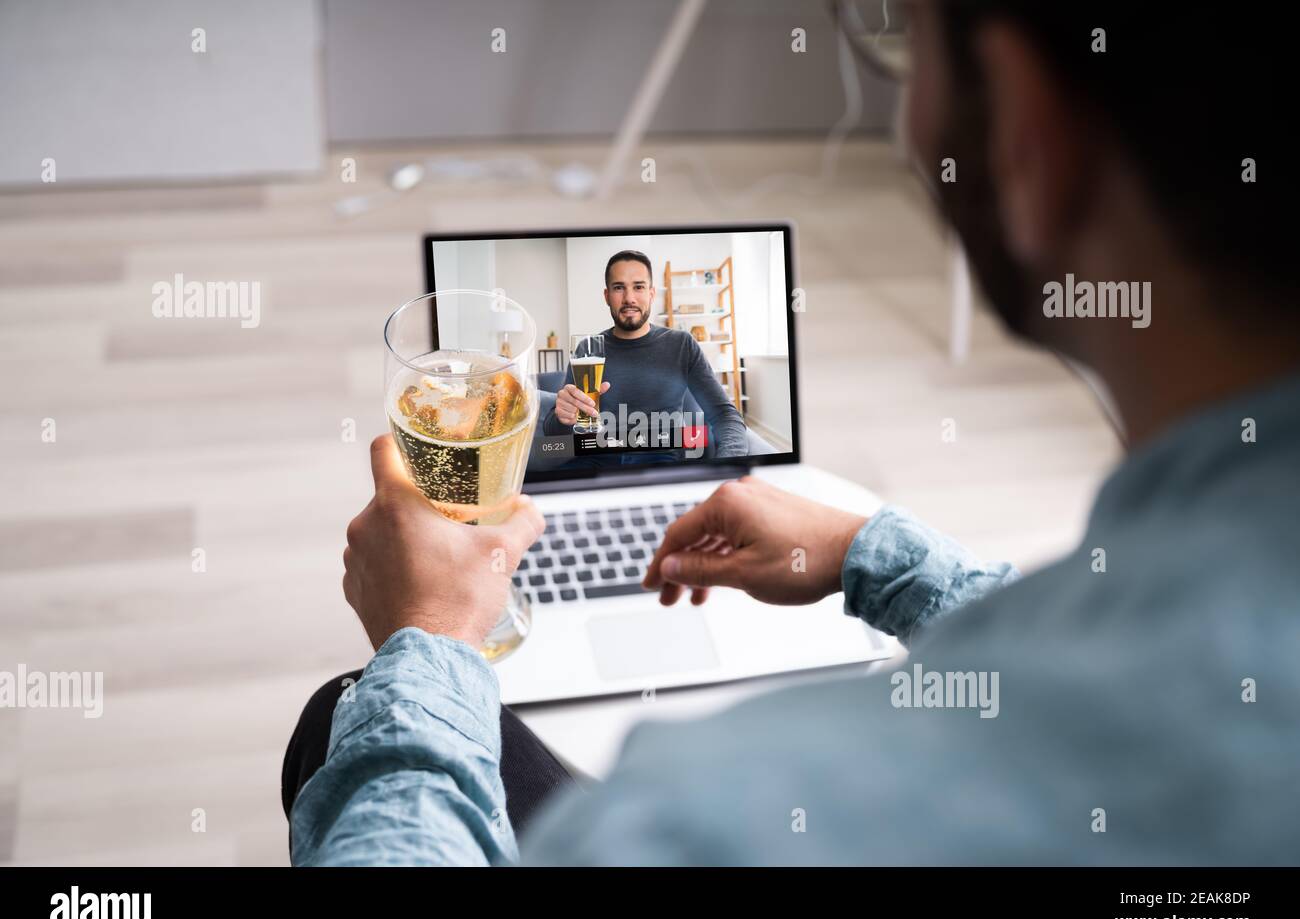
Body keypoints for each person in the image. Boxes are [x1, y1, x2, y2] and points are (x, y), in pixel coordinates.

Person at [284, 2, 1297, 864]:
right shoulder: (584, 352)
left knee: (349, 715)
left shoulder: (711, 814)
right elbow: (1090, 656)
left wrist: (424, 638)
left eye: (910, 40)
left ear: (1029, 132)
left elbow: (723, 423)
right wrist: (868, 553)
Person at [541, 250, 748, 459]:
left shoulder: (681, 345)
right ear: (607, 296)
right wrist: (562, 417)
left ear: (651, 293)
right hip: (600, 469)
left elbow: (725, 416)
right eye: (619, 288)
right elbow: (554, 433)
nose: (629, 298)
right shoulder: (587, 348)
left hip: (663, 471)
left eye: (638, 287)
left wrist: (729, 465)